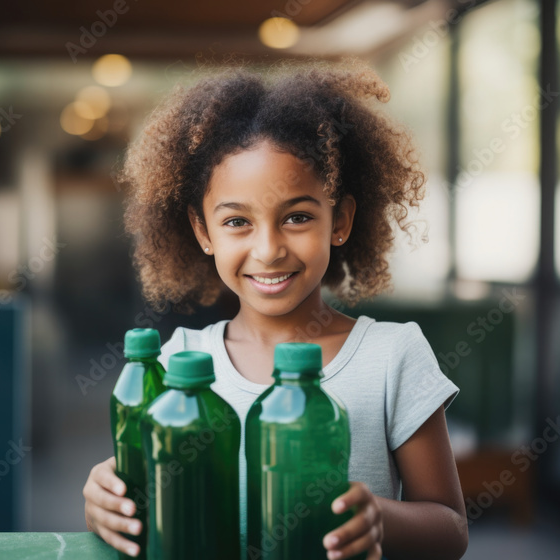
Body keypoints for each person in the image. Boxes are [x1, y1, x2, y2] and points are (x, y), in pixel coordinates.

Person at [83, 58, 467, 560]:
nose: (268, 250)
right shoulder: (175, 365)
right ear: (202, 231)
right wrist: (105, 502)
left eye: (297, 217)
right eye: (237, 222)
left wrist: (379, 518)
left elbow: (451, 529)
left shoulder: (393, 356)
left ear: (340, 221)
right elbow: (143, 503)